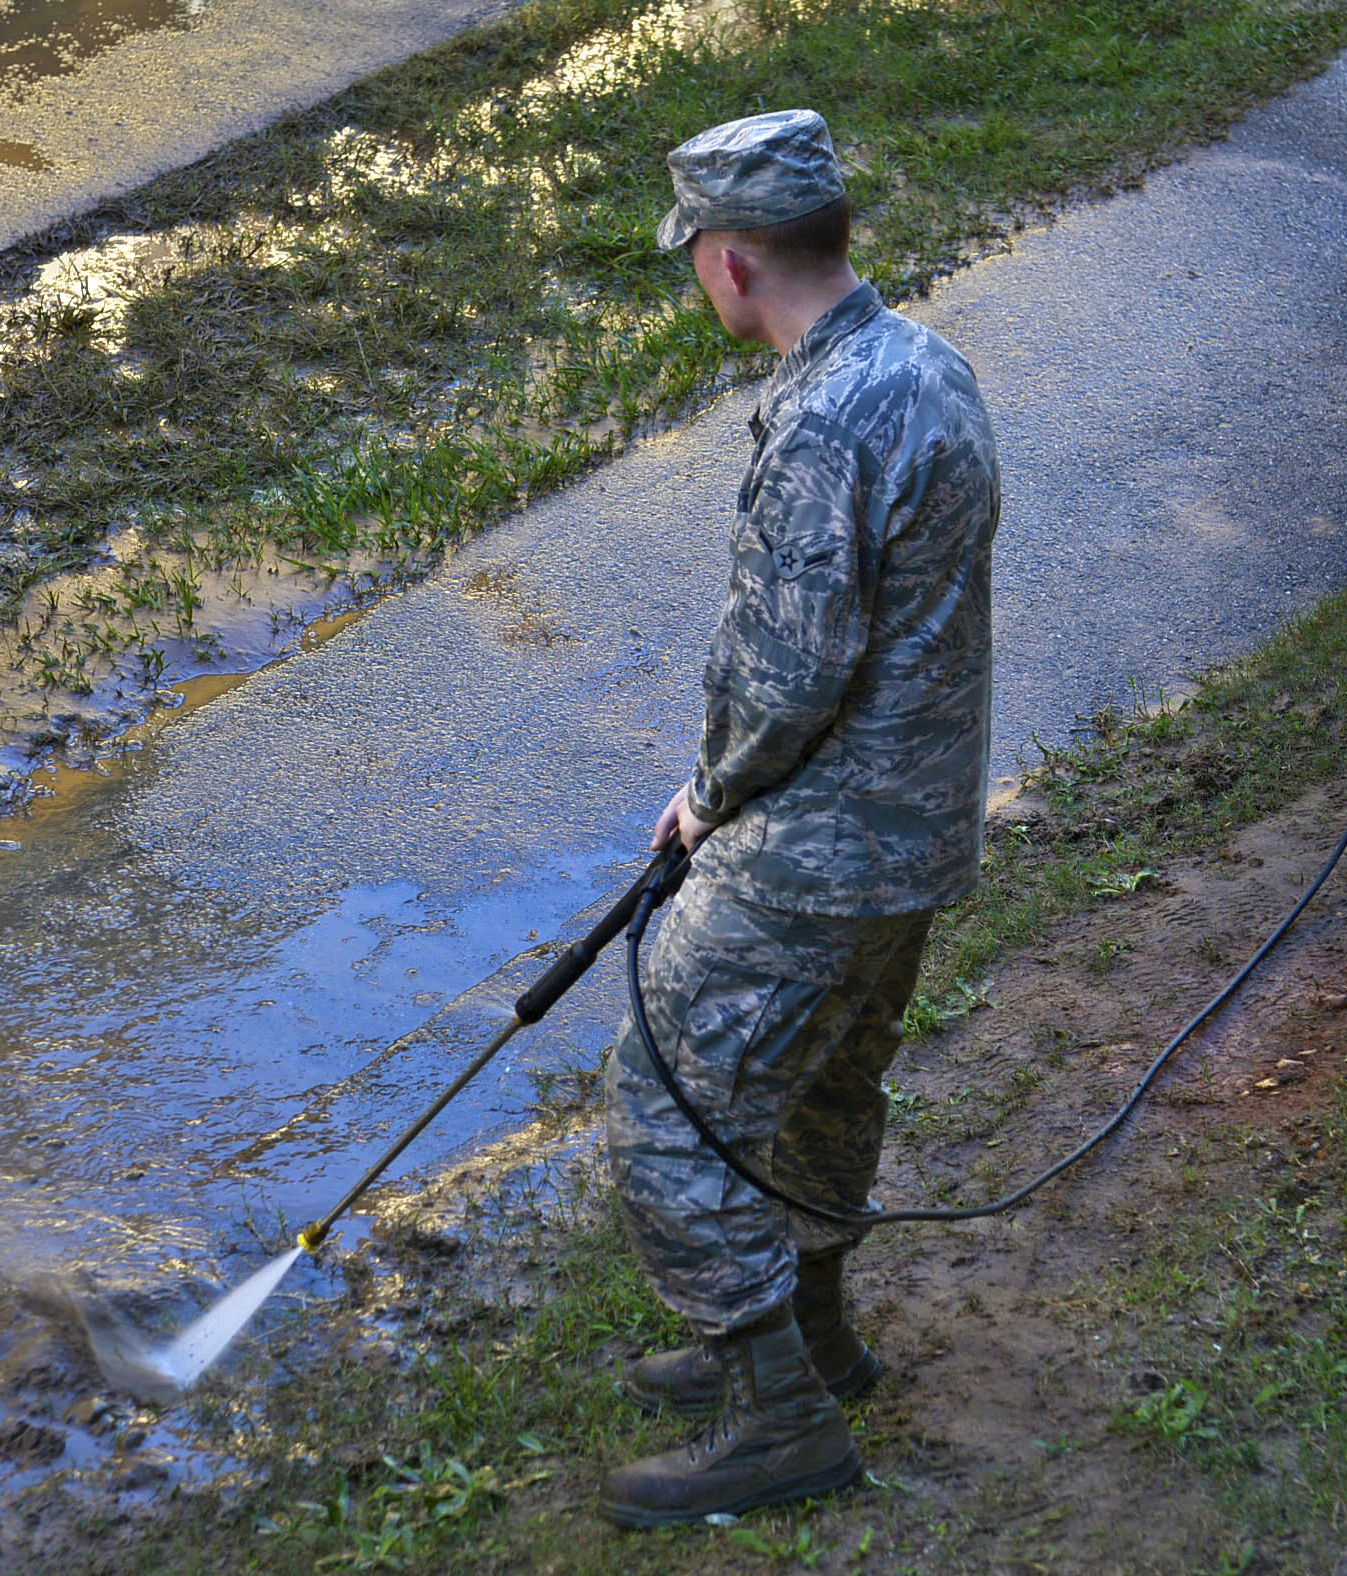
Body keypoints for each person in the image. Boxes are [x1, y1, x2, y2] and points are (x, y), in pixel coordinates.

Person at [596, 108, 1000, 1529]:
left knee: (665, 1104)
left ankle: (777, 1418)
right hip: (915, 831)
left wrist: (706, 799)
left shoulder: (824, 420)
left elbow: (786, 674)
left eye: (695, 261)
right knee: (826, 1085)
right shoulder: (921, 363)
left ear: (728, 264)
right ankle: (815, 1336)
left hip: (818, 849)